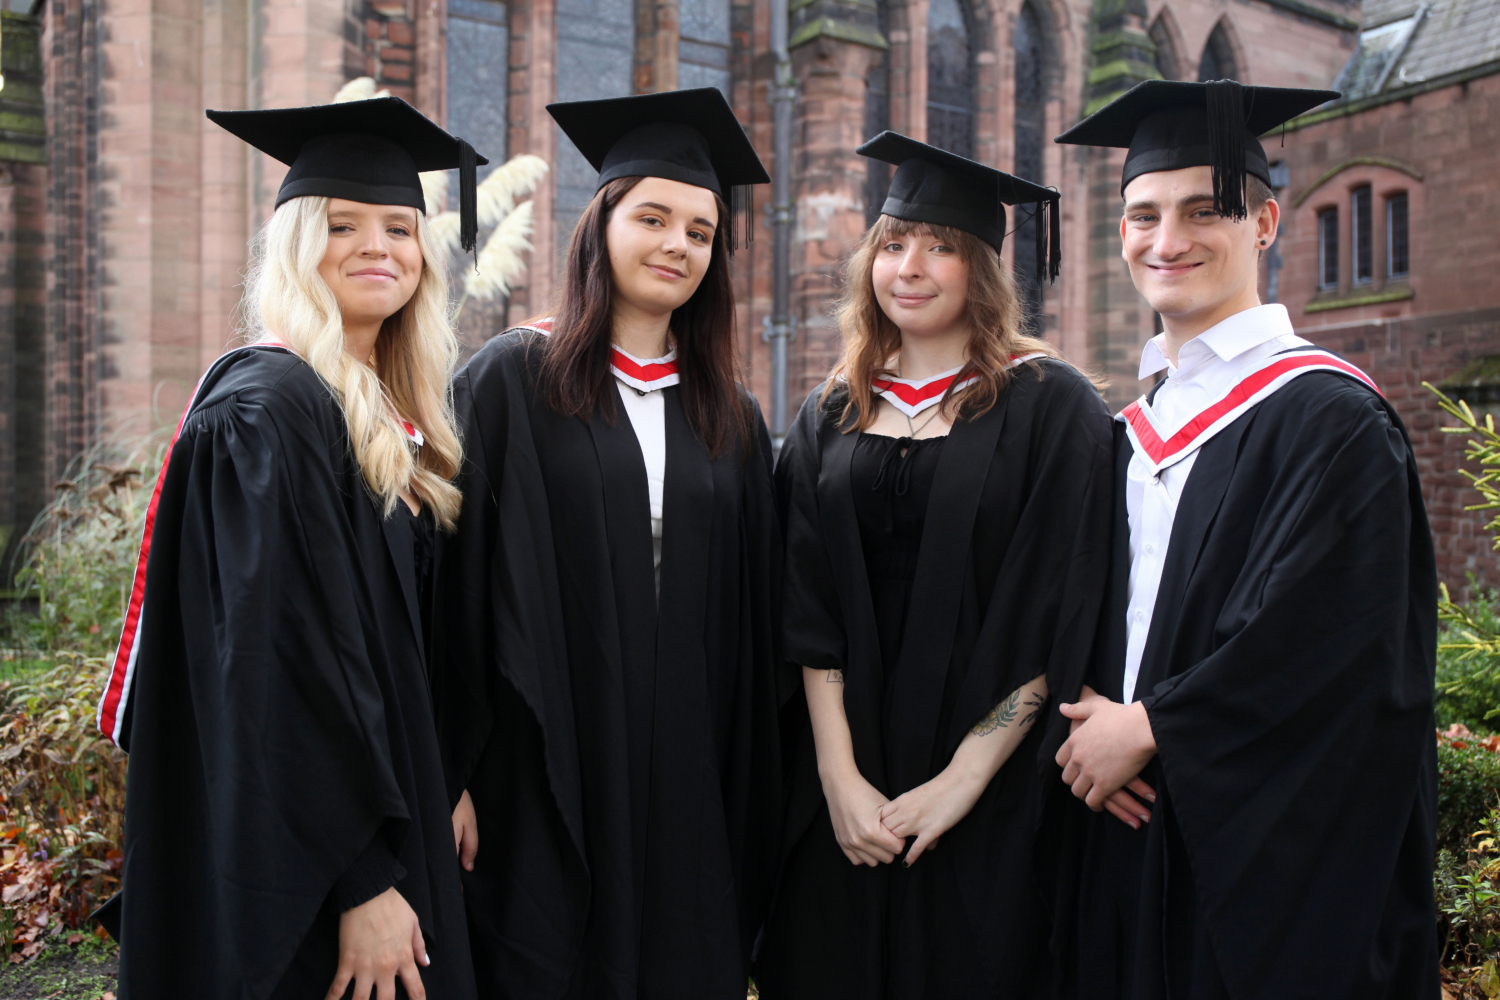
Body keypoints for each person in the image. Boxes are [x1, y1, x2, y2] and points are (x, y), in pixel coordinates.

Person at [1051, 79, 1438, 999]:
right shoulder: (1126, 428)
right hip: (1120, 828)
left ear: (1265, 224)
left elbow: (1338, 643)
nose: (1168, 239)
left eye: (1203, 210)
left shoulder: (1331, 418)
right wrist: (1082, 728)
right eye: (1144, 214)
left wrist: (1154, 728)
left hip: (1258, 859)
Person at [93, 96, 485, 1000]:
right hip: (322, 866)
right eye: (342, 225)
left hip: (392, 815)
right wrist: (361, 881)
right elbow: (272, 669)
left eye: (399, 226)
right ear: (296, 245)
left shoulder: (381, 416)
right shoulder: (269, 412)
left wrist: (442, 783)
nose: (377, 246)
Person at [431, 87, 782, 999]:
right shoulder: (513, 380)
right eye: (654, 217)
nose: (677, 245)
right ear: (603, 224)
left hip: (685, 760)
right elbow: (451, 593)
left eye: (700, 233)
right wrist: (448, 774)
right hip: (546, 751)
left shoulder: (731, 417)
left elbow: (752, 624)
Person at [752, 132, 1114, 999]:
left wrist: (962, 780)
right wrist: (838, 778)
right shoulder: (832, 408)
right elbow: (805, 601)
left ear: (981, 269)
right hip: (846, 792)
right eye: (893, 244)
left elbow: (1057, 603)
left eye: (940, 247)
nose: (909, 266)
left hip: (989, 791)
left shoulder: (1049, 404)